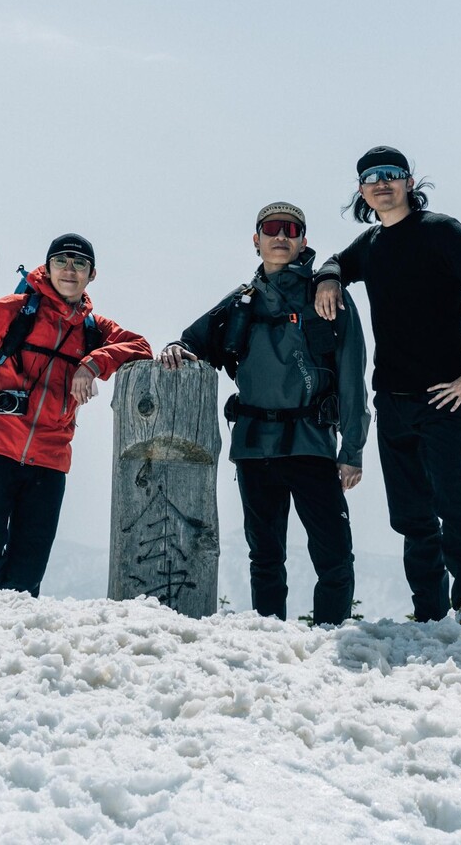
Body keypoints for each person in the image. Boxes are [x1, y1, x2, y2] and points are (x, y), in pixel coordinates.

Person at [313, 146, 461, 625]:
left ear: (409, 182)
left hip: (445, 396)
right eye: (372, 178)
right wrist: (330, 277)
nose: (382, 183)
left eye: (392, 175)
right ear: (362, 191)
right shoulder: (373, 243)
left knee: (453, 498)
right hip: (392, 401)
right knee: (411, 514)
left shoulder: (440, 231)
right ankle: (427, 611)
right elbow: (336, 260)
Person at [159, 202, 369, 626]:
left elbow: (352, 375)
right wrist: (176, 348)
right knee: (265, 555)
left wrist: (353, 448)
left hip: (312, 444)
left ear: (303, 240)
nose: (281, 236)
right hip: (255, 447)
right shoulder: (240, 303)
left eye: (291, 229)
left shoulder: (328, 296)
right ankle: (269, 638)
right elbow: (191, 341)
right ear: (256, 240)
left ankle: (331, 635)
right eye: (271, 228)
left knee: (333, 554)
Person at [0, 233, 151, 597]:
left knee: (27, 572)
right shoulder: (17, 310)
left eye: (79, 263)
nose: (70, 269)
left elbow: (141, 348)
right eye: (62, 261)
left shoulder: (92, 329)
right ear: (48, 268)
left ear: (92, 274)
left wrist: (92, 363)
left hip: (49, 462)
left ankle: (12, 642)